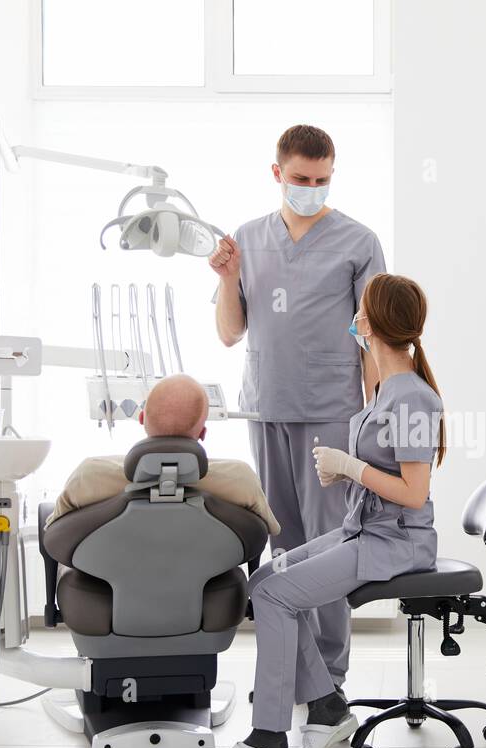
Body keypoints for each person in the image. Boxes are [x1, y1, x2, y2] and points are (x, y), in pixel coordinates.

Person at [205, 274, 445, 748]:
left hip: (398, 542)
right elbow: (385, 472)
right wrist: (343, 470)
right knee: (264, 582)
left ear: (371, 324)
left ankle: (268, 737)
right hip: (366, 530)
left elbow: (414, 493)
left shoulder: (413, 398)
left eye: (360, 311)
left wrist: (351, 467)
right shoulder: (385, 390)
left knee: (276, 597)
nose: (353, 318)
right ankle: (328, 707)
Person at [208, 124, 385, 696]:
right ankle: (290, 673)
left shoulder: (358, 242)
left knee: (329, 542)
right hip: (266, 407)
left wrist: (376, 415)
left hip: (331, 409)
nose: (311, 189)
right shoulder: (246, 240)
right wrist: (228, 278)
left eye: (322, 180)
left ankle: (329, 678)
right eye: (301, 178)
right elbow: (230, 333)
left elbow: (374, 339)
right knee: (282, 542)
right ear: (277, 173)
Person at [45, 374, 278, 534]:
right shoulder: (240, 479)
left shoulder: (89, 475)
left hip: (104, 588)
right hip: (209, 587)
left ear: (141, 418)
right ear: (203, 433)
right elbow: (269, 529)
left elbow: (53, 530)